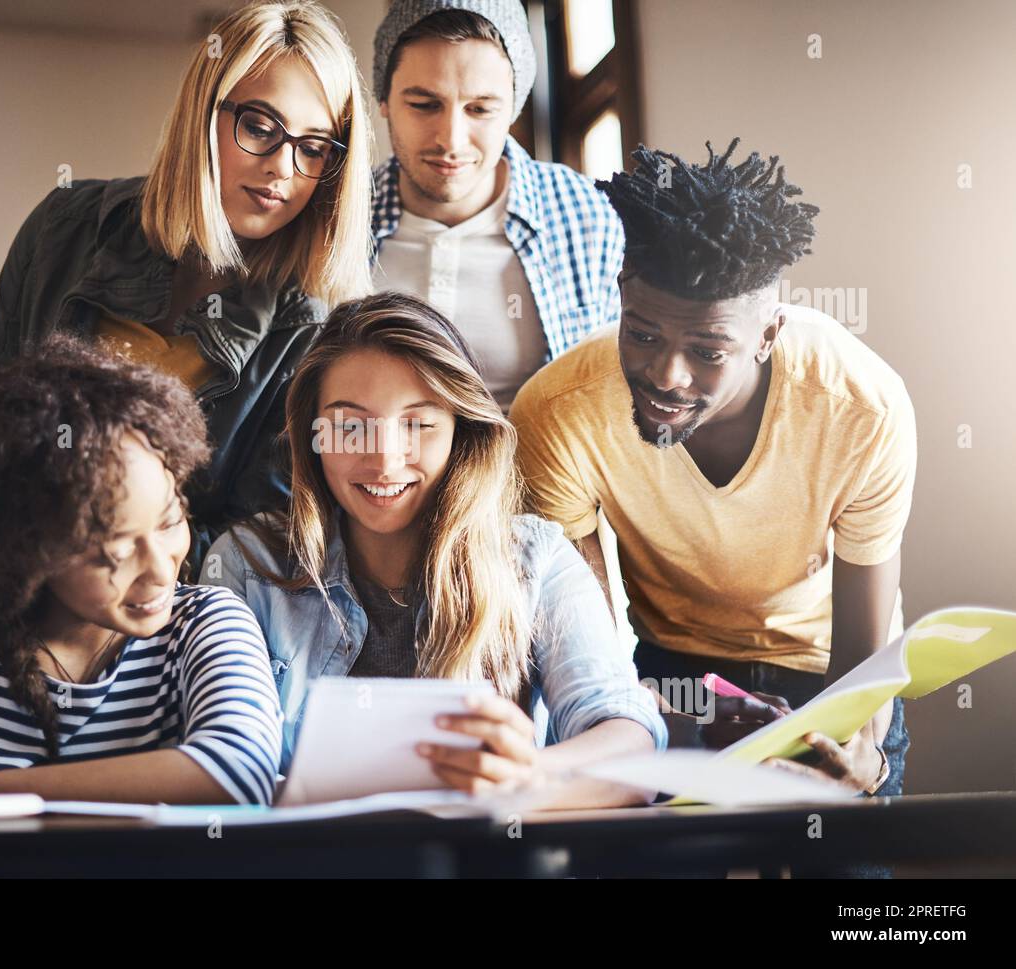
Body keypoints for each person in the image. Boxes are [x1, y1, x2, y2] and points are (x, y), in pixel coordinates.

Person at [510, 140, 915, 797]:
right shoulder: (560, 411)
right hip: (673, 667)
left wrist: (860, 750)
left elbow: (863, 649)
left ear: (767, 334)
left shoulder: (860, 407)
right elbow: (592, 648)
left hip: (826, 666)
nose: (667, 375)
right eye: (643, 335)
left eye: (707, 350)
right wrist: (676, 720)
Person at [0, 1, 374, 572]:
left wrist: (98, 549)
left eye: (313, 147)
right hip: (4, 577)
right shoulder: (63, 227)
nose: (282, 167)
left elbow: (250, 544)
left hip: (165, 619)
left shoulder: (313, 330)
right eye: (259, 127)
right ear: (202, 113)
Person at [205, 292, 665, 808]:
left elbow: (630, 739)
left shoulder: (535, 559)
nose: (384, 460)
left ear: (459, 431)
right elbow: (216, 764)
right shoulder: (248, 563)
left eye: (418, 423)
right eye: (350, 426)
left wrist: (528, 774)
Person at [0, 338, 282, 805]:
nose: (158, 571)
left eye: (169, 521)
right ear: (23, 547)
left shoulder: (203, 624)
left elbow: (240, 773)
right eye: (114, 551)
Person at [370, 0, 624, 412]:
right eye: (424, 105)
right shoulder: (336, 214)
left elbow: (612, 402)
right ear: (384, 99)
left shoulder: (590, 217)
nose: (451, 140)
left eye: (480, 109)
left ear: (513, 108)